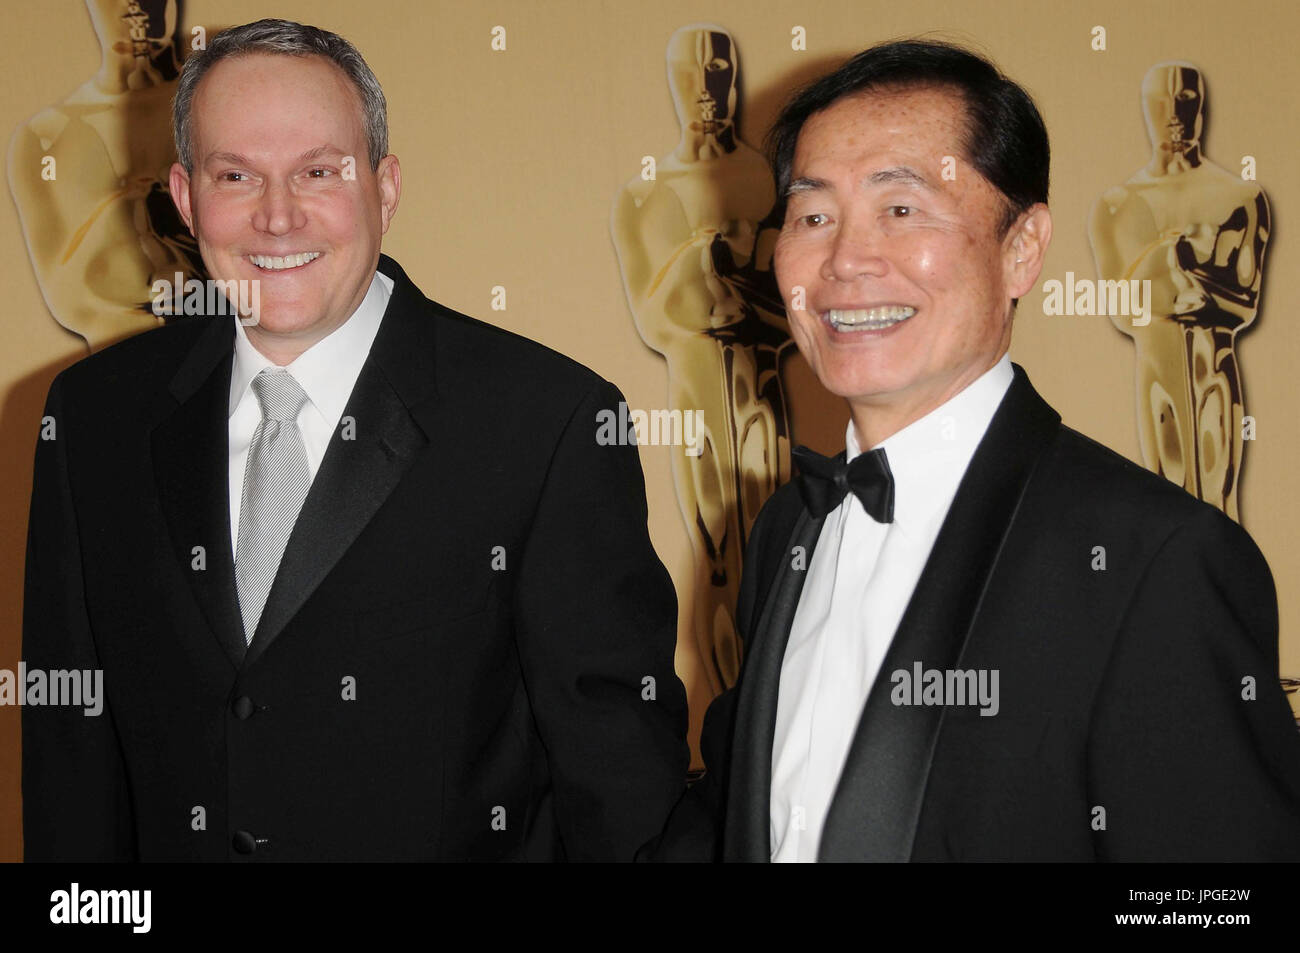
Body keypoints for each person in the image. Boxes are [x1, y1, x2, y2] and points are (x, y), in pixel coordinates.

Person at [22, 18, 687, 862]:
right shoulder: (92, 419)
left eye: (318, 171)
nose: (277, 215)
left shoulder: (546, 421)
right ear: (186, 200)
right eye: (236, 175)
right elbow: (70, 772)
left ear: (386, 185)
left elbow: (620, 790)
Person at [646, 39, 1300, 862]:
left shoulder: (1154, 560)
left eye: (902, 207)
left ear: (1022, 249)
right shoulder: (788, 528)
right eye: (813, 215)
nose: (846, 259)